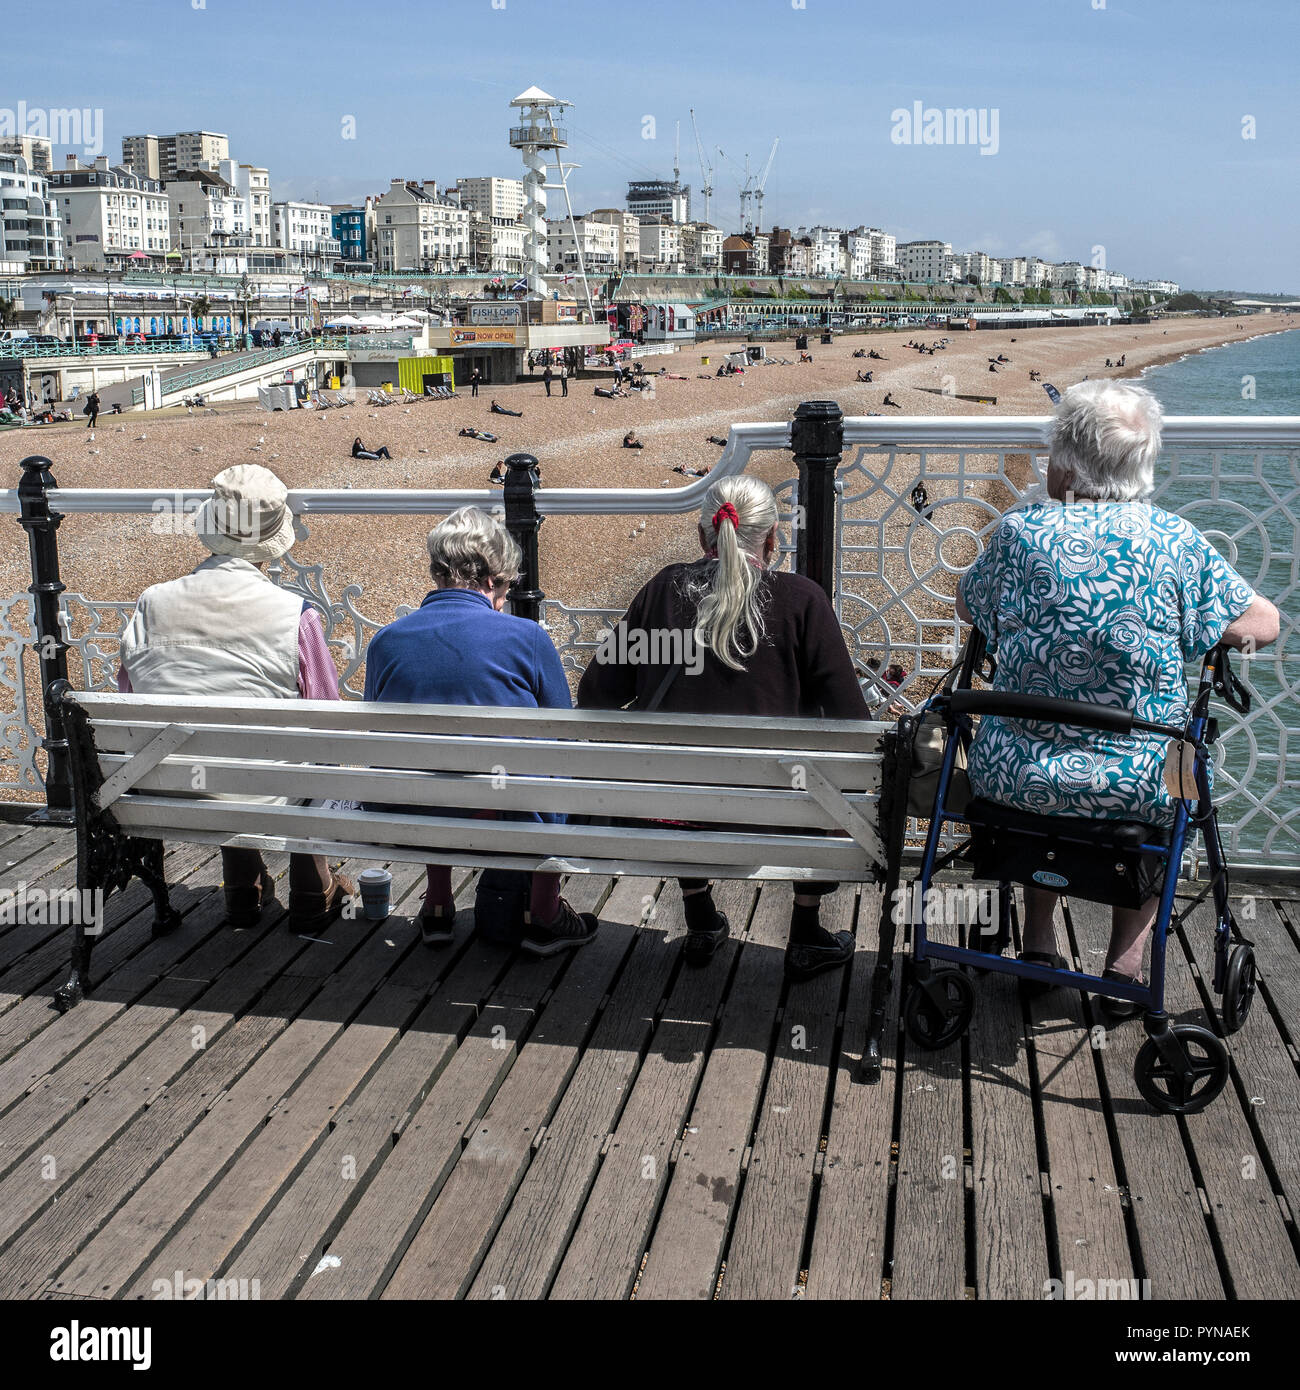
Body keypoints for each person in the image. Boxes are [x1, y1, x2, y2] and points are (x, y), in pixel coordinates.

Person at [957, 380, 1280, 1015]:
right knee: (1179, 776)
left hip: (1012, 775)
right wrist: (1208, 630)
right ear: (1141, 465)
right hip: (1135, 783)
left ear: (1067, 462)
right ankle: (1125, 966)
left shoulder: (1019, 534)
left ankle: (1040, 944)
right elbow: (1262, 623)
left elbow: (971, 603)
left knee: (1042, 776)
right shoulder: (1174, 542)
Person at [577, 476, 870, 980]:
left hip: (669, 817)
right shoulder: (802, 600)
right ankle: (804, 931)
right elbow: (854, 722)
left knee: (680, 769)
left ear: (702, 538)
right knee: (826, 775)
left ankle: (699, 915)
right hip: (779, 818)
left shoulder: (660, 591)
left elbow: (595, 695)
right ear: (774, 539)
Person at [116, 465, 354, 932]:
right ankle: (312, 881)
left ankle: (242, 881)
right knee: (305, 750)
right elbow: (328, 716)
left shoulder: (151, 602)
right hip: (263, 792)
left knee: (206, 736)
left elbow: (129, 698)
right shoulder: (294, 616)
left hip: (163, 790)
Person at [365, 507, 598, 956]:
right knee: (563, 770)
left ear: (438, 571)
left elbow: (380, 732)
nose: (506, 598)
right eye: (508, 586)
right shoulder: (527, 637)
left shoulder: (386, 640)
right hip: (500, 810)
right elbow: (564, 738)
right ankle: (546, 913)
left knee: (427, 763)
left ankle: (437, 904)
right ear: (492, 579)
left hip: (407, 810)